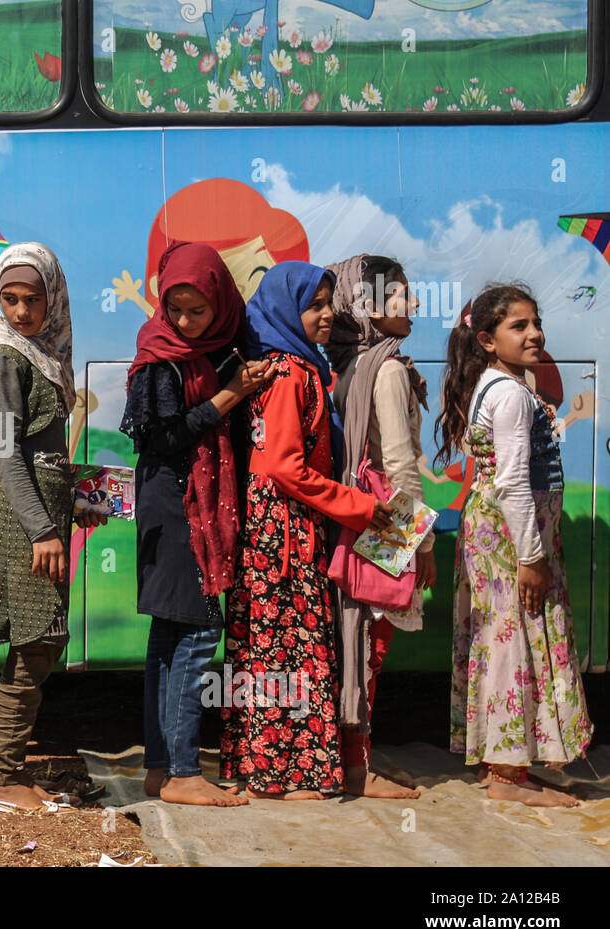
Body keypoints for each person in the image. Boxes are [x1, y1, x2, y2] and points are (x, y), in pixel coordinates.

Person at [219, 261, 392, 799]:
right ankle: (285, 774)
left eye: (327, 303)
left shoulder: (287, 366)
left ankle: (269, 768)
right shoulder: (291, 374)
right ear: (284, 310)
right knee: (289, 647)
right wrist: (358, 507)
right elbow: (284, 467)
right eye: (313, 306)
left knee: (272, 647)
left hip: (279, 526)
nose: (325, 315)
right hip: (284, 531)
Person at [120, 241, 266, 808]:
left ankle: (161, 768)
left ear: (220, 302)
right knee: (201, 628)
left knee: (169, 633)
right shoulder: (161, 353)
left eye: (196, 310)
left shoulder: (221, 345)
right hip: (178, 500)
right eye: (173, 307)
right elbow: (161, 437)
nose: (181, 321)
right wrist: (229, 397)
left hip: (183, 499)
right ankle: (182, 771)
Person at [435, 283, 592, 807]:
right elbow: (512, 482)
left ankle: (508, 763)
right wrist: (530, 557)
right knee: (511, 641)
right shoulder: (506, 393)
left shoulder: (502, 383)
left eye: (535, 322)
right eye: (518, 326)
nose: (535, 334)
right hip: (510, 536)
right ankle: (506, 778)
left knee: (509, 636)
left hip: (502, 529)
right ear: (486, 338)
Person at [0, 242, 106, 811]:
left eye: (34, 299)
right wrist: (41, 530)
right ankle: (2, 778)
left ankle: (8, 773)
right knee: (36, 641)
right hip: (20, 518)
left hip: (44, 512)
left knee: (44, 641)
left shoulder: (41, 351)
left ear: (54, 299)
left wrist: (81, 498)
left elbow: (43, 449)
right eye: (11, 298)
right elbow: (5, 454)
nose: (22, 311)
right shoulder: (6, 356)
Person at [323, 255, 435, 800]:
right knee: (372, 641)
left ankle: (355, 762)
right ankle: (356, 770)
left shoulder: (351, 362)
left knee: (358, 639)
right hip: (386, 519)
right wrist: (423, 543)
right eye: (401, 297)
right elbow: (400, 466)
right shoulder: (386, 369)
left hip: (359, 515)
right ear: (366, 304)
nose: (413, 306)